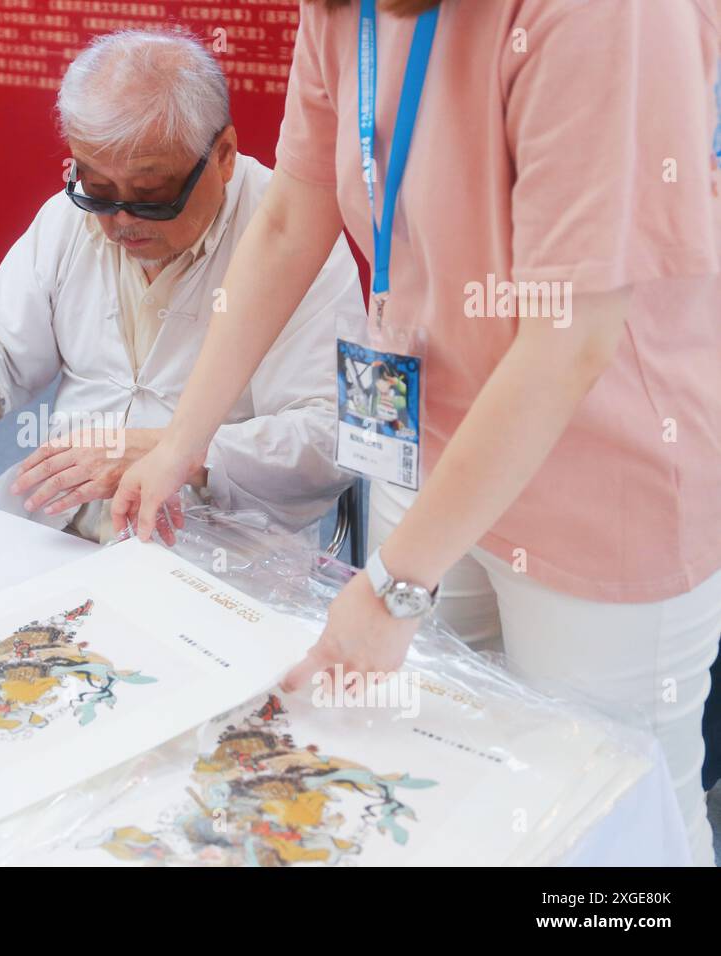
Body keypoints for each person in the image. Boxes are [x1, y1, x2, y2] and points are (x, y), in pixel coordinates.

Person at [112, 0, 721, 864]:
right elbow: (292, 216)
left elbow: (571, 343)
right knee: (445, 764)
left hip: (600, 476)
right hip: (431, 449)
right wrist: (182, 441)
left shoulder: (603, 16)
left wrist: (397, 586)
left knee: (606, 811)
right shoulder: (348, 10)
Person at [0, 30, 361, 542]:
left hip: (217, 538)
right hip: (62, 508)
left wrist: (178, 451)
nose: (121, 221)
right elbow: (1, 350)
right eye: (98, 191)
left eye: (151, 196)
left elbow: (335, 437)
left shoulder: (295, 242)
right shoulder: (69, 219)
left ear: (224, 155)